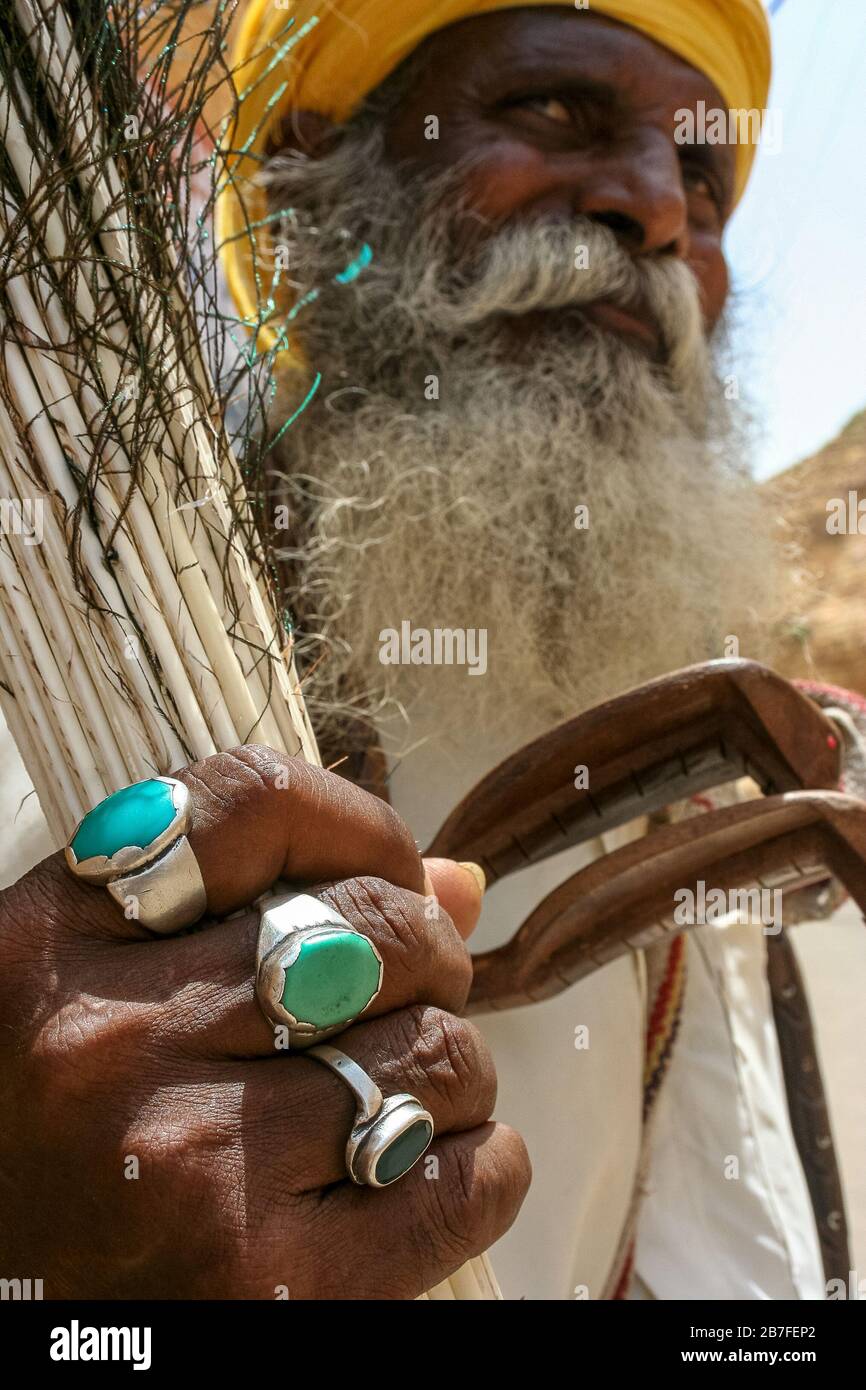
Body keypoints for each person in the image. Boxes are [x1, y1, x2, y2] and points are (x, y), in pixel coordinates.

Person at [0, 0, 857, 1299]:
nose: (655, 211)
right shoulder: (66, 670)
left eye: (700, 176)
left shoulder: (766, 788)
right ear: (300, 183)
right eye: (554, 110)